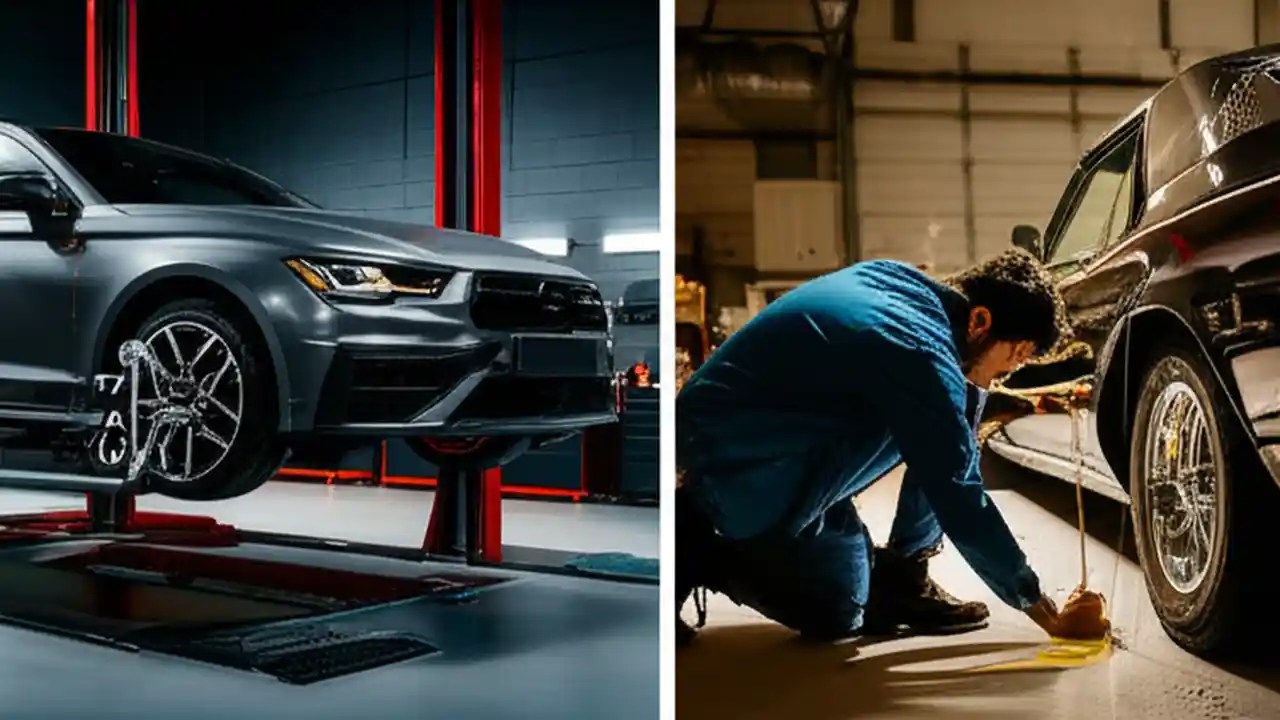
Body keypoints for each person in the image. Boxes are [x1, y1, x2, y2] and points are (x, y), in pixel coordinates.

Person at [676, 249, 1072, 644]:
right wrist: (1038, 606)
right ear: (980, 321)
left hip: (773, 441)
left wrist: (977, 391)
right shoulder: (921, 354)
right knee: (835, 611)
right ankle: (700, 539)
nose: (1009, 372)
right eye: (1016, 355)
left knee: (855, 593)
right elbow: (956, 488)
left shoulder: (896, 280)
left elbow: (951, 438)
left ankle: (904, 576)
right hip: (734, 457)